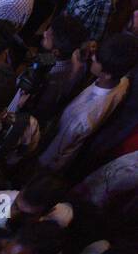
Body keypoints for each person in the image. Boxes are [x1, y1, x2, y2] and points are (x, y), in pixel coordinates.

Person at [38, 34, 138, 173]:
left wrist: (41, 163)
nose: (92, 58)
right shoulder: (122, 83)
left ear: (107, 74)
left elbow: (57, 146)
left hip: (51, 157)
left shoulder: (82, 116)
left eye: (97, 59)